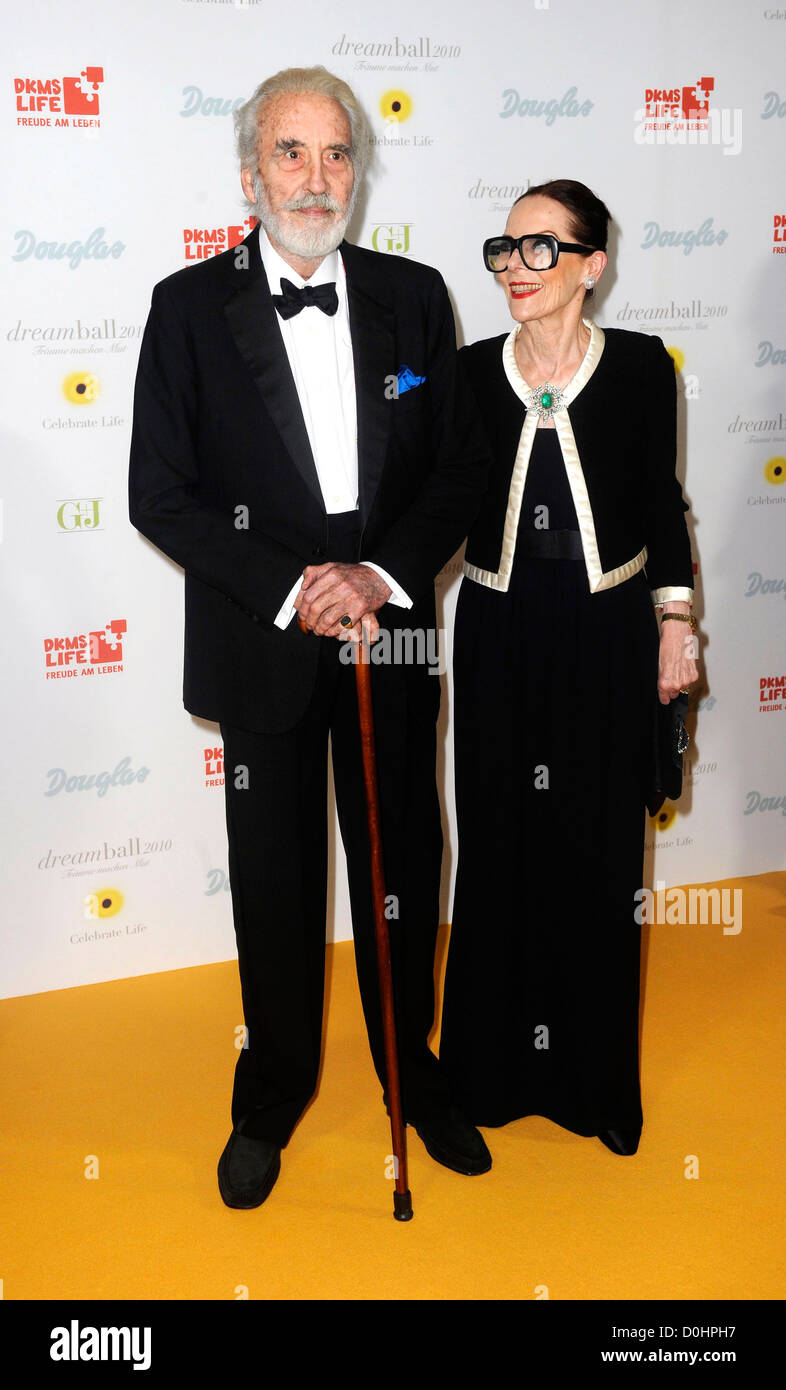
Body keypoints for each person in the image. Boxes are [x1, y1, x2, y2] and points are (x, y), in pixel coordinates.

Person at [128, 65, 491, 1208]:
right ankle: (272, 1093)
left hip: (387, 624)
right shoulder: (187, 307)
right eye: (292, 152)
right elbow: (160, 492)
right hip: (263, 632)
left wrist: (375, 575)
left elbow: (455, 473)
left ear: (359, 173)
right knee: (273, 881)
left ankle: (412, 1075)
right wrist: (298, 586)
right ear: (250, 172)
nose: (316, 175)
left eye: (337, 154)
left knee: (402, 861)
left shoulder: (417, 296)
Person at [439, 180, 698, 1156]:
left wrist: (676, 624)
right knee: (502, 843)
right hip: (501, 632)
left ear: (593, 265)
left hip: (608, 634)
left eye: (542, 248)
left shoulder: (639, 368)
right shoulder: (465, 376)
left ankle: (598, 1089)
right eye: (506, 247)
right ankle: (489, 1076)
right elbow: (429, 498)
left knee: (597, 849)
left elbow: (662, 504)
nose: (517, 266)